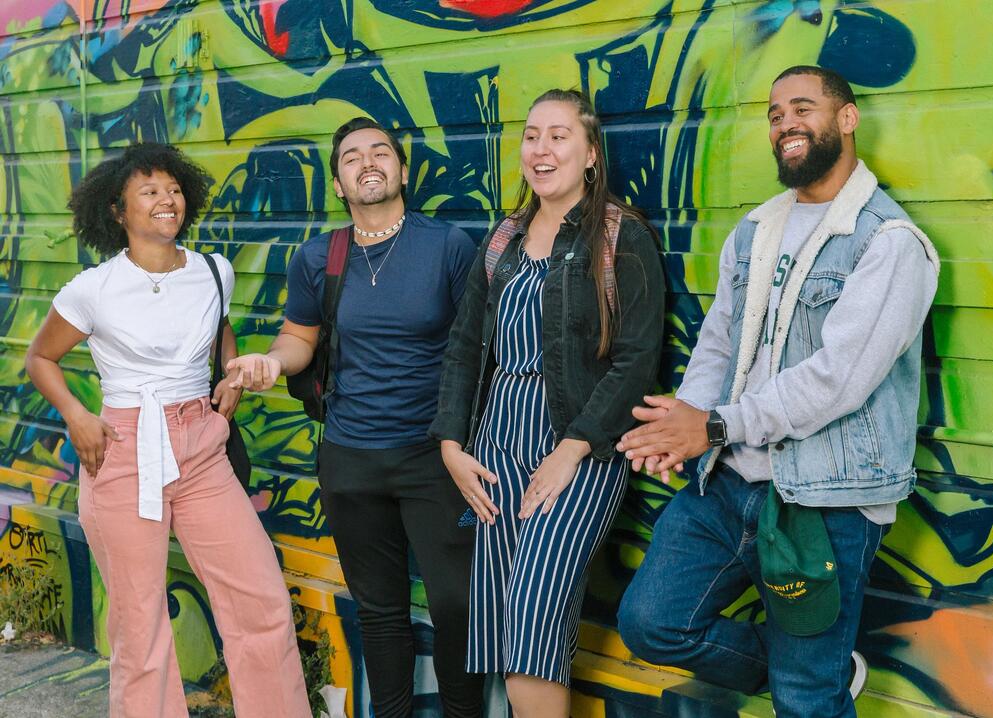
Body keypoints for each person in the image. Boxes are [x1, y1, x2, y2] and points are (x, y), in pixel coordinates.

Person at [614, 65, 940, 716]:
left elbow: (838, 379)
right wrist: (688, 419)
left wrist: (713, 425)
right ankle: (817, 672)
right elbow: (718, 339)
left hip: (821, 501)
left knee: (803, 702)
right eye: (774, 114)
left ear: (846, 118)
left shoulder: (889, 242)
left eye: (802, 107)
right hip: (726, 482)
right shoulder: (755, 231)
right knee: (652, 623)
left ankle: (813, 680)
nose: (786, 122)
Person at [24, 142, 310, 717]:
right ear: (118, 210)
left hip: (202, 446)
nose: (167, 200)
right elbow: (39, 357)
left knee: (261, 601)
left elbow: (217, 329)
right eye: (149, 191)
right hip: (123, 451)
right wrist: (78, 416)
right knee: (140, 624)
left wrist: (229, 374)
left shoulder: (213, 271)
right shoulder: (93, 288)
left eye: (174, 189)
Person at [227, 118, 485, 718]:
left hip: (433, 458)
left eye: (380, 152)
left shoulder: (448, 246)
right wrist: (271, 361)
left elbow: (474, 349)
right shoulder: (319, 256)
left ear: (401, 170)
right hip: (349, 459)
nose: (368, 162)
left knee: (456, 605)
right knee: (380, 610)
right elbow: (300, 339)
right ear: (339, 184)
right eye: (351, 157)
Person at [429, 89, 665, 718]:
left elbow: (637, 359)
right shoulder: (503, 239)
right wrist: (451, 444)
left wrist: (572, 449)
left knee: (534, 619)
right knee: (508, 626)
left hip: (577, 446)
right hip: (495, 447)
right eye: (532, 136)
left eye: (559, 136)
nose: (542, 149)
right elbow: (465, 345)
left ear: (590, 153)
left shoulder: (622, 236)